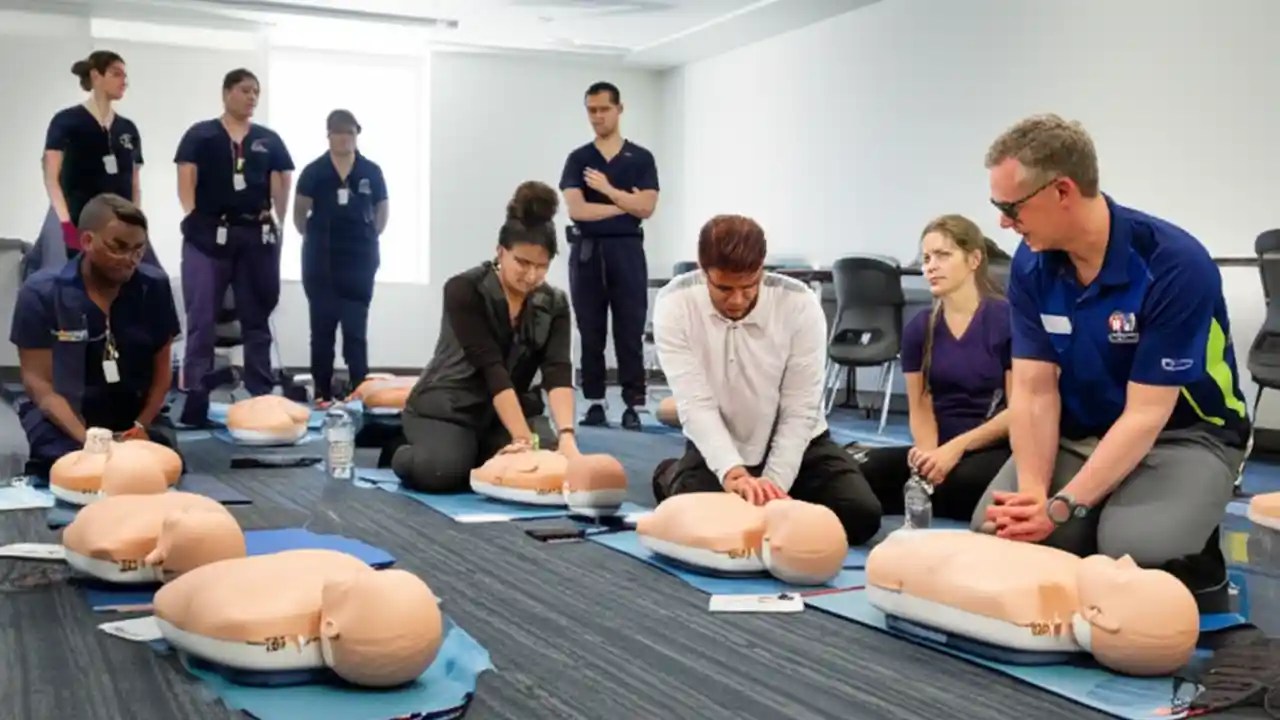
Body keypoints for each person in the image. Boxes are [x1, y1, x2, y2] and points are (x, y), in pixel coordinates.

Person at [974, 113, 1250, 612]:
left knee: (1135, 551)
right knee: (998, 529)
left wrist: (1062, 507)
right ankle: (1091, 529)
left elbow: (1147, 414)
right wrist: (1036, 494)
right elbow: (1034, 391)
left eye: (1011, 207)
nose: (1003, 223)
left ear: (1062, 191)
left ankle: (1196, 547)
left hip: (1186, 435)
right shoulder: (1031, 263)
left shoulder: (1174, 265)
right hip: (1087, 431)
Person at [651, 215, 883, 545]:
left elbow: (800, 408)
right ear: (704, 272)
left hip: (801, 444)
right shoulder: (674, 303)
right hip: (722, 440)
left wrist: (771, 489)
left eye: (748, 287)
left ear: (762, 269)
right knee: (699, 520)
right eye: (724, 288)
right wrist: (732, 472)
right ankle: (671, 473)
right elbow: (696, 404)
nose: (736, 300)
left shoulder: (799, 303)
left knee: (860, 517)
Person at [389, 181, 578, 492]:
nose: (531, 276)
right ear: (500, 251)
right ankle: (403, 450)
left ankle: (477, 454)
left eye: (542, 267)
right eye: (523, 263)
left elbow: (558, 371)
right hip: (449, 408)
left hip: (507, 412)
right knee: (443, 472)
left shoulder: (554, 304)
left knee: (546, 468)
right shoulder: (464, 289)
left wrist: (568, 437)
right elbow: (491, 367)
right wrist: (520, 438)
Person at [10, 194, 182, 475]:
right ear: (87, 242)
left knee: (156, 468)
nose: (130, 260)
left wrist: (141, 425)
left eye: (138, 250)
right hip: (66, 420)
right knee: (73, 468)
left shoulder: (154, 287)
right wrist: (88, 440)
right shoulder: (41, 292)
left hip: (133, 418)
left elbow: (162, 373)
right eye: (119, 248)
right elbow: (37, 381)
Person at [857, 214, 1012, 521]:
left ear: (974, 259)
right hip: (939, 448)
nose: (931, 266)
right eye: (927, 258)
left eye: (943, 255)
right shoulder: (920, 328)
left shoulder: (1006, 319)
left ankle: (923, 496)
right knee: (864, 469)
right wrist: (928, 456)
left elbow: (1018, 411)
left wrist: (952, 451)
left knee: (969, 479)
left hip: (989, 448)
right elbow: (920, 404)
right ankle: (921, 491)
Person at [174, 68, 294, 427]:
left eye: (256, 91)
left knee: (256, 319)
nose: (252, 97)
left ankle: (260, 396)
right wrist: (194, 219)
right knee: (202, 318)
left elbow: (282, 184)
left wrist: (278, 226)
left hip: (254, 236)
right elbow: (186, 179)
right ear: (226, 93)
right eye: (245, 90)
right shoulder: (201, 134)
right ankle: (195, 397)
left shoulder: (268, 141)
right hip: (209, 233)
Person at [559, 81, 659, 431]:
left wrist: (607, 191)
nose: (597, 116)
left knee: (629, 328)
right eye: (591, 110)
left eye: (603, 109)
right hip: (588, 252)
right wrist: (623, 206)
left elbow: (647, 206)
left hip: (627, 251)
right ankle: (595, 402)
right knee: (590, 330)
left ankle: (633, 403)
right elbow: (578, 211)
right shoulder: (579, 159)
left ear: (619, 109)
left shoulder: (641, 158)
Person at [293, 109, 389, 405]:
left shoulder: (370, 171)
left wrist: (370, 236)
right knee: (321, 331)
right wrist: (314, 237)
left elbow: (382, 211)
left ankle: (359, 390)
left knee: (355, 331)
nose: (344, 138)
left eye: (350, 133)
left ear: (356, 135)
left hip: (358, 263)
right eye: (338, 132)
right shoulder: (314, 171)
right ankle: (322, 389)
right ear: (329, 135)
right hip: (320, 263)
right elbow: (299, 214)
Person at [43, 51, 144, 260]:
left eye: (125, 76)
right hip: (82, 226)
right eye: (116, 74)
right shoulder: (66, 122)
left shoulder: (127, 128)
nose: (124, 82)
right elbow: (51, 178)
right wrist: (65, 224)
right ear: (96, 76)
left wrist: (136, 222)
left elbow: (134, 183)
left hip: (120, 230)